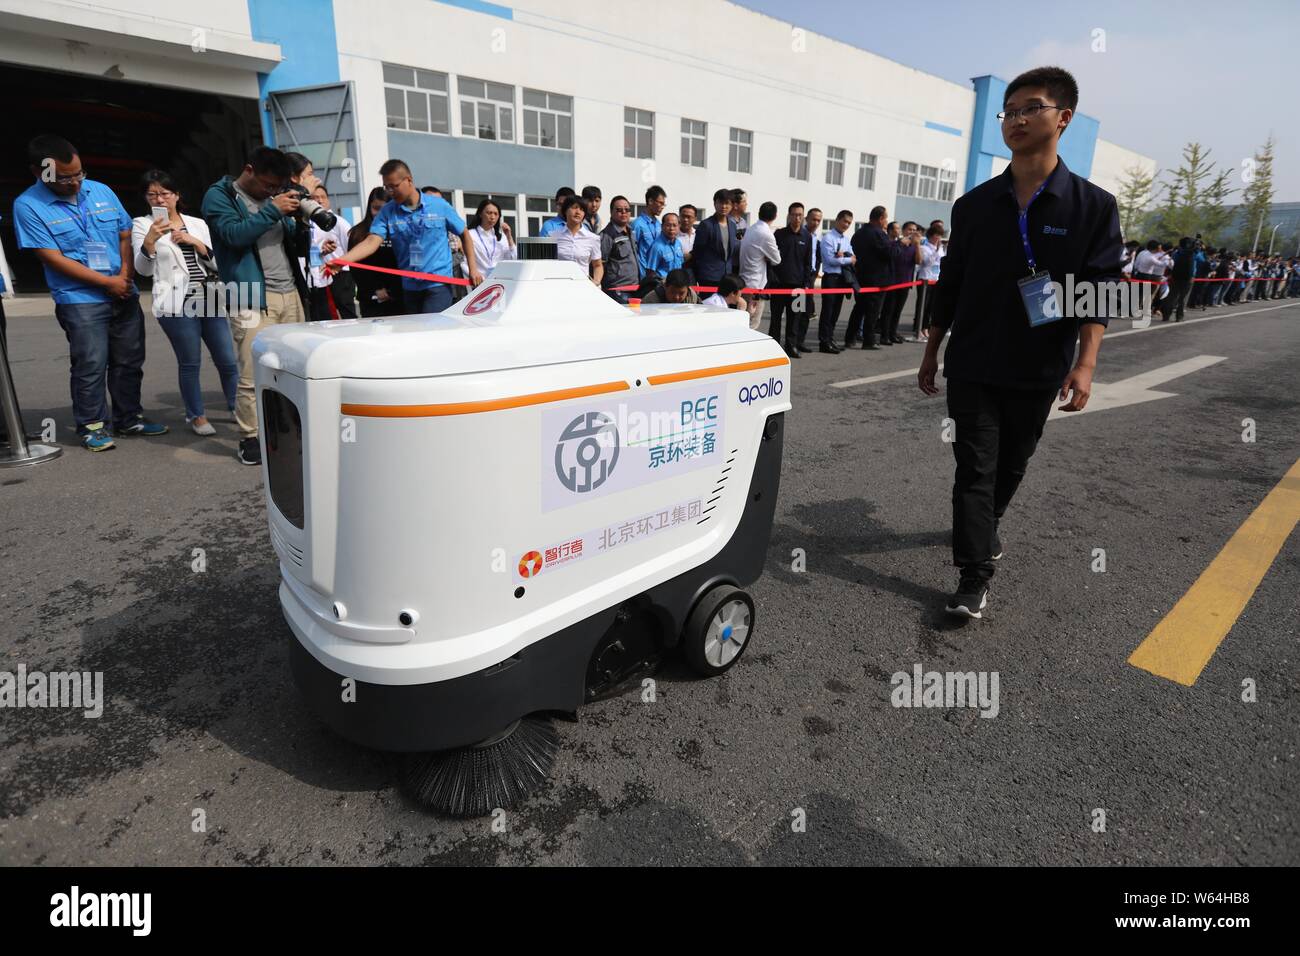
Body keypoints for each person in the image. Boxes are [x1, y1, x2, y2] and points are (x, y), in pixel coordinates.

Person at [919, 65, 1122, 620]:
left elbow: (1100, 290)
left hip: (1039, 365)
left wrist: (1086, 364)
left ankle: (986, 527)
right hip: (974, 362)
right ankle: (974, 575)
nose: (1016, 119)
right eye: (1008, 111)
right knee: (974, 468)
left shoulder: (1093, 206)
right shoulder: (974, 205)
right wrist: (933, 348)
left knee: (1012, 463)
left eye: (1030, 107)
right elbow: (952, 283)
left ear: (1064, 118)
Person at [15, 135, 168, 452]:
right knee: (91, 364)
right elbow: (50, 257)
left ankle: (129, 418)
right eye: (64, 178)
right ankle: (92, 426)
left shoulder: (100, 190)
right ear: (38, 172)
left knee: (129, 361)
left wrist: (125, 275)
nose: (74, 182)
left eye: (78, 174)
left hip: (121, 290)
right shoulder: (28, 206)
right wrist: (106, 284)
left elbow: (124, 234)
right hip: (80, 300)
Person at [203, 145, 309, 465]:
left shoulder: (274, 199)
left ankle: (289, 427)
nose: (271, 191)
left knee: (295, 368)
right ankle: (249, 436)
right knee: (251, 371)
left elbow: (294, 243)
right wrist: (274, 209)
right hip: (247, 295)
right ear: (248, 170)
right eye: (266, 184)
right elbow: (234, 236)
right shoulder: (220, 196)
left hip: (289, 292)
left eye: (277, 187)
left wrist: (300, 219)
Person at [131, 169, 237, 436]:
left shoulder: (197, 223)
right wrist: (151, 241)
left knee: (227, 359)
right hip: (175, 302)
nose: (159, 199)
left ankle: (238, 406)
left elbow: (218, 262)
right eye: (152, 194)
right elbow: (143, 270)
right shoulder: (142, 225)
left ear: (177, 195)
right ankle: (196, 415)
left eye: (165, 193)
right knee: (190, 362)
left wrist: (197, 244)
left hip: (208, 295)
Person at [328, 159, 481, 315]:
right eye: (386, 187)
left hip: (438, 285)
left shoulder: (439, 206)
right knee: (413, 334)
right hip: (409, 287)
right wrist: (343, 260)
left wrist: (473, 270)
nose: (390, 192)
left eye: (393, 186)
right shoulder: (388, 211)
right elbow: (371, 242)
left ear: (409, 180)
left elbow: (464, 234)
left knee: (431, 330)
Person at [301, 183, 357, 321]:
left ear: (328, 200)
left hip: (341, 273)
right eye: (315, 198)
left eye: (323, 197)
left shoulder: (338, 222)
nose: (319, 201)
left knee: (346, 311)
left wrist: (342, 264)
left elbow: (351, 246)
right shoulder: (308, 222)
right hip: (321, 275)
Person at [348, 186, 406, 318]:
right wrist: (376, 289)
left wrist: (394, 290)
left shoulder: (400, 229)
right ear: (369, 207)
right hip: (372, 299)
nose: (380, 213)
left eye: (385, 209)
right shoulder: (358, 233)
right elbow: (356, 268)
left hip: (400, 296)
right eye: (376, 208)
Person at [768, 202, 811, 358]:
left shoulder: (807, 236)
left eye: (800, 215)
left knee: (795, 318)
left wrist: (806, 284)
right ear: (789, 215)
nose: (797, 217)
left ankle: (791, 346)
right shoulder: (779, 234)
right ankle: (773, 346)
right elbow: (771, 260)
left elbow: (808, 263)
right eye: (794, 214)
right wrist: (773, 280)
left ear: (803, 217)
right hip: (779, 285)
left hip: (798, 287)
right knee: (776, 317)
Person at [847, 205, 891, 349]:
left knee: (858, 309)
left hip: (861, 276)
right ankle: (868, 340)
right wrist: (898, 246)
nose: (886, 221)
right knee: (872, 311)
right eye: (886, 218)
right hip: (876, 279)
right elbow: (889, 253)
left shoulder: (859, 233)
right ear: (880, 219)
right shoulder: (878, 234)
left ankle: (850, 337)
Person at [738, 200, 781, 331]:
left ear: (758, 213)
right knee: (752, 324)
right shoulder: (766, 234)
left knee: (743, 321)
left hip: (744, 280)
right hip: (755, 286)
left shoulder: (751, 229)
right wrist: (767, 256)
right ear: (775, 216)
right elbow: (777, 259)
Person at [817, 210, 855, 353]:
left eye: (849, 223)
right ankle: (824, 341)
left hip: (842, 279)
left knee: (836, 312)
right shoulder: (828, 237)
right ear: (837, 220)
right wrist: (845, 258)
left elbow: (853, 256)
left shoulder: (845, 239)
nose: (846, 225)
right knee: (827, 311)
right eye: (845, 221)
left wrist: (843, 256)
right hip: (831, 278)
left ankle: (830, 338)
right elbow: (831, 260)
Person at [882, 221, 922, 345]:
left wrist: (917, 245)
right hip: (893, 282)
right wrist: (901, 243)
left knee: (898, 310)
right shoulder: (896, 244)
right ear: (903, 231)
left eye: (914, 230)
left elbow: (919, 261)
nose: (912, 232)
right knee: (889, 310)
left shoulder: (913, 246)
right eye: (909, 229)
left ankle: (892, 333)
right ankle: (884, 335)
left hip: (906, 282)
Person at [691, 189, 740, 288]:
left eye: (727, 203)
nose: (724, 206)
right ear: (715, 204)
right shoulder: (706, 225)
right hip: (709, 276)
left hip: (727, 276)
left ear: (732, 206)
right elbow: (697, 251)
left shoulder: (732, 225)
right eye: (720, 203)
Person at [599, 195, 640, 303]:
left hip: (634, 288)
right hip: (616, 291)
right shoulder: (606, 235)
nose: (624, 212)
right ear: (611, 212)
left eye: (627, 210)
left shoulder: (631, 232)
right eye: (619, 210)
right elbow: (600, 264)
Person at [553, 195, 603, 285]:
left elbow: (598, 265)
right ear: (565, 210)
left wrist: (596, 282)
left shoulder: (592, 238)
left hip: (583, 286)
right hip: (559, 285)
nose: (578, 212)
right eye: (574, 208)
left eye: (582, 209)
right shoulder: (553, 236)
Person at [794, 207, 823, 353]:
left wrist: (814, 273)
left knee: (807, 312)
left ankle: (800, 341)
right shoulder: (801, 234)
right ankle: (792, 342)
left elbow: (817, 258)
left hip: (809, 278)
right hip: (798, 279)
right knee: (796, 311)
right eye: (813, 219)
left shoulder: (816, 237)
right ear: (807, 219)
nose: (816, 222)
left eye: (818, 220)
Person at [467, 197, 517, 274]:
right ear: (480, 214)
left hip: (498, 281)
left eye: (496, 214)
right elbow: (464, 261)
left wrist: (509, 237)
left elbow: (514, 258)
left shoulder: (501, 237)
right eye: (489, 213)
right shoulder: (470, 235)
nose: (493, 217)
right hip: (478, 282)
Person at [914, 223, 945, 340]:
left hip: (935, 279)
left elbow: (941, 262)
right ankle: (919, 328)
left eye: (940, 235)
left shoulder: (940, 249)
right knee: (923, 306)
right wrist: (936, 252)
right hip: (925, 279)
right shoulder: (924, 248)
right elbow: (926, 262)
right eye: (937, 235)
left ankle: (926, 328)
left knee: (932, 306)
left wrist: (938, 251)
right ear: (931, 236)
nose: (938, 238)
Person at [633, 185, 667, 272]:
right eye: (660, 203)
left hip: (657, 273)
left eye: (664, 204)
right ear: (650, 201)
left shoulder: (659, 225)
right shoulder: (637, 224)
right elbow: (633, 251)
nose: (662, 207)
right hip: (643, 273)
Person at [645, 212, 685, 278]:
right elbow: (650, 272)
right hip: (663, 286)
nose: (671, 228)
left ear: (679, 227)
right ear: (662, 226)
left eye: (674, 225)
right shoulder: (656, 247)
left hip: (676, 284)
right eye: (668, 225)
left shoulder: (678, 243)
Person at [677, 204, 698, 268]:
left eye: (689, 217)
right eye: (683, 216)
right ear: (679, 217)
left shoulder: (699, 235)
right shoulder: (673, 236)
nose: (685, 219)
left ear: (695, 219)